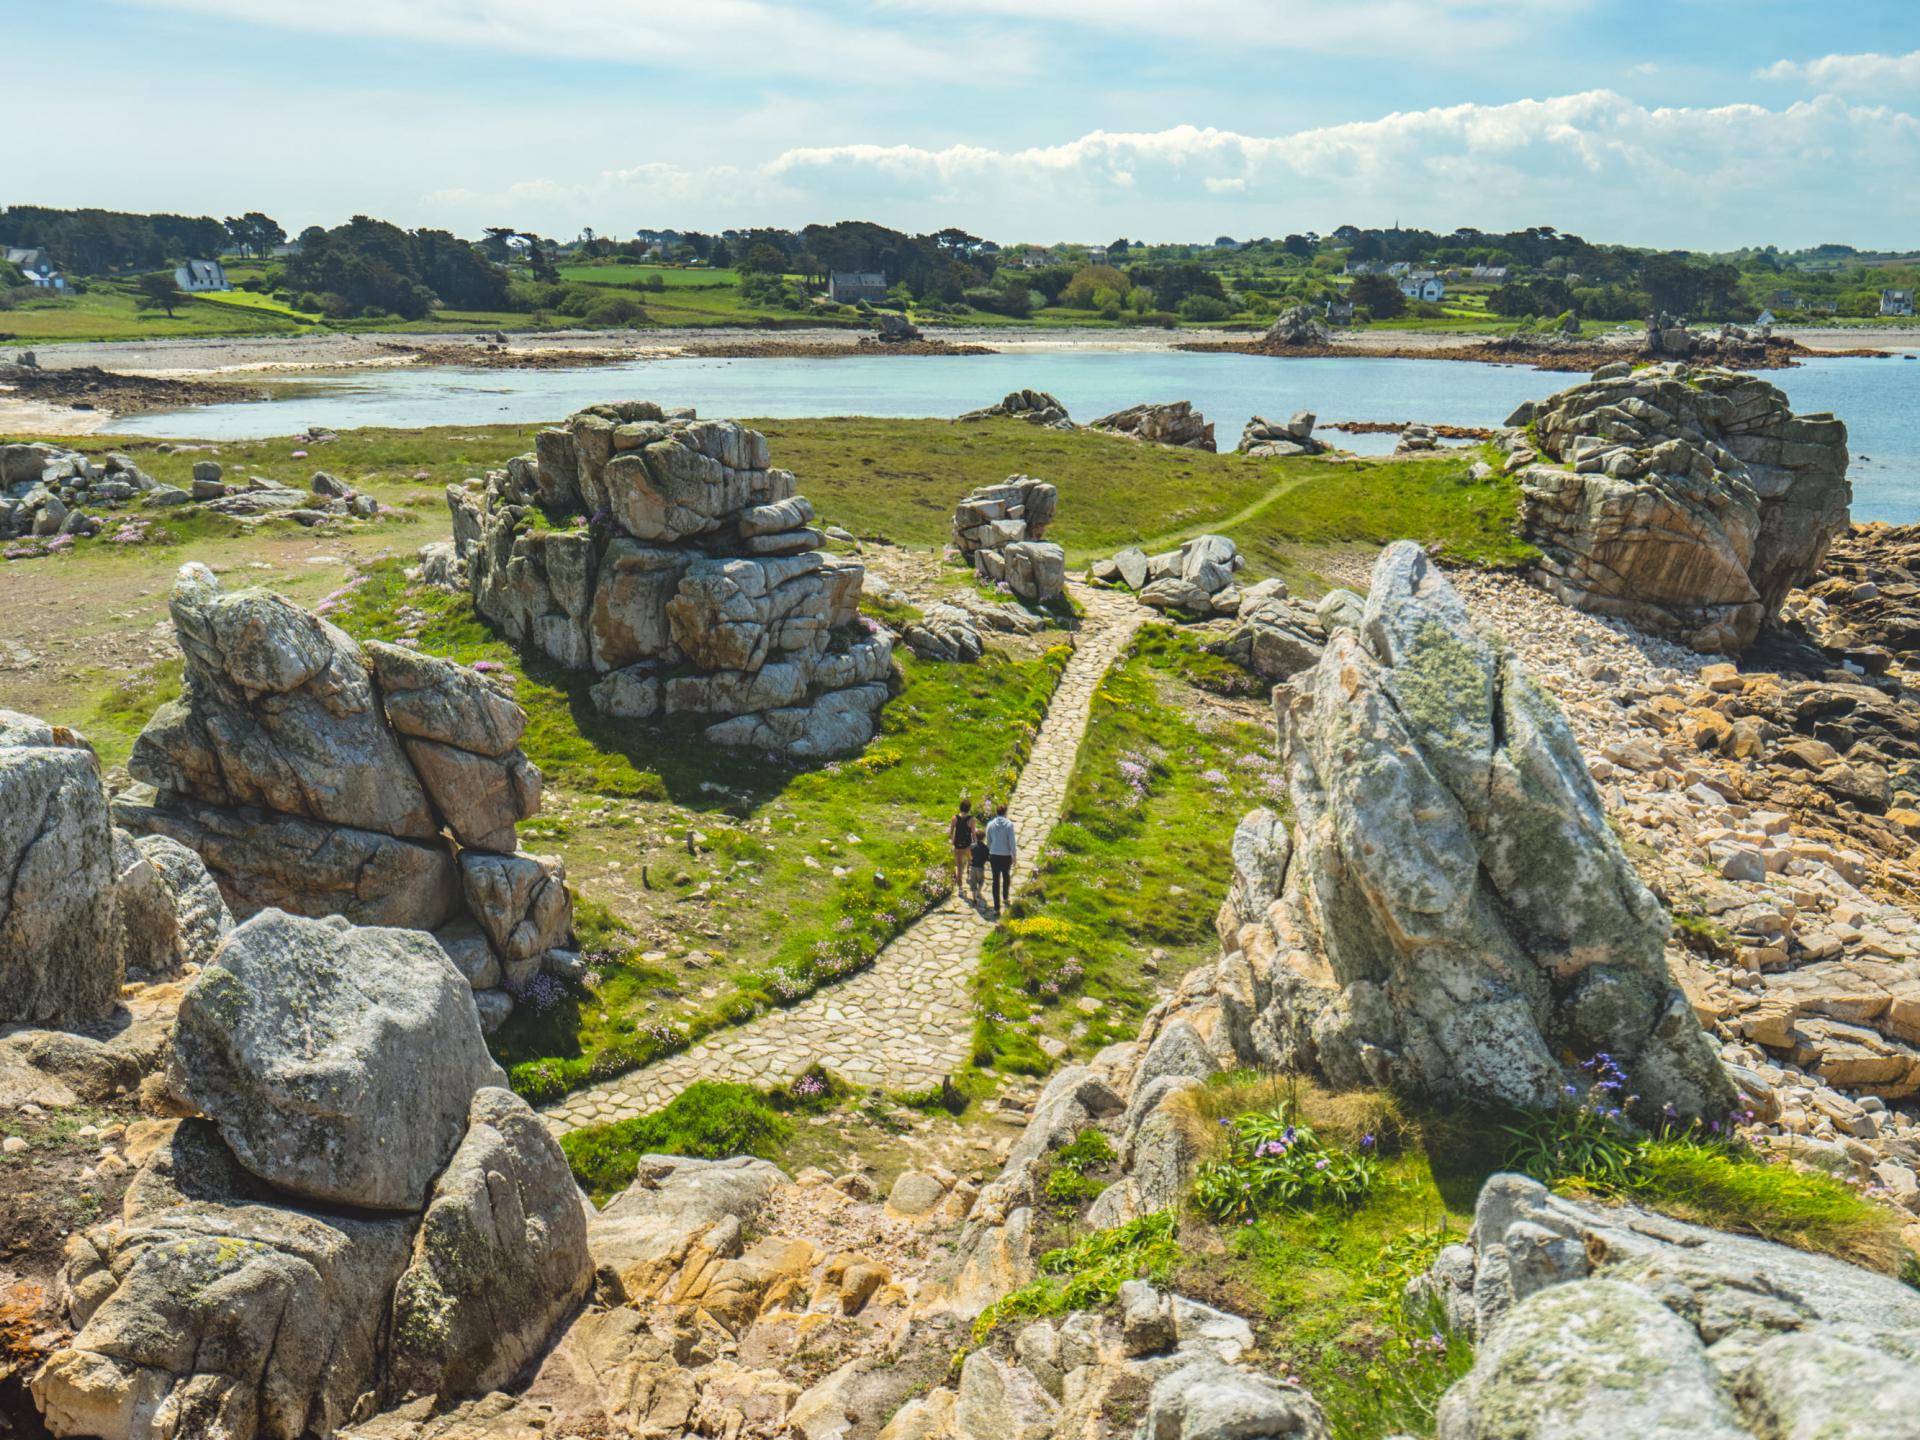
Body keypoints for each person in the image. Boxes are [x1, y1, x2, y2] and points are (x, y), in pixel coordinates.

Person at [984, 802, 1016, 916]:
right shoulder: (1009, 825)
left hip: (994, 855)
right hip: (1006, 855)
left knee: (995, 880)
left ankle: (996, 907)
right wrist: (1014, 855)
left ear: (996, 812)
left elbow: (988, 841)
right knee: (1006, 876)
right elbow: (1012, 842)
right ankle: (1005, 897)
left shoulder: (990, 824)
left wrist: (989, 852)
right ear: (1005, 812)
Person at [948, 798, 975, 892]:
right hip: (967, 845)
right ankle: (968, 871)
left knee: (959, 866)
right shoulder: (972, 819)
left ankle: (960, 886)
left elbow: (951, 833)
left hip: (957, 845)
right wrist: (975, 843)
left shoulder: (954, 818)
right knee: (970, 859)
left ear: (960, 807)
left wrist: (952, 842)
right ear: (969, 808)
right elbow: (973, 834)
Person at [968, 811, 991, 903]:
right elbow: (987, 857)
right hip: (980, 867)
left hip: (972, 866)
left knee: (973, 882)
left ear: (976, 837)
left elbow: (969, 855)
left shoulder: (972, 846)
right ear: (984, 838)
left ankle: (974, 898)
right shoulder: (985, 848)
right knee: (981, 881)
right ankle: (979, 892)